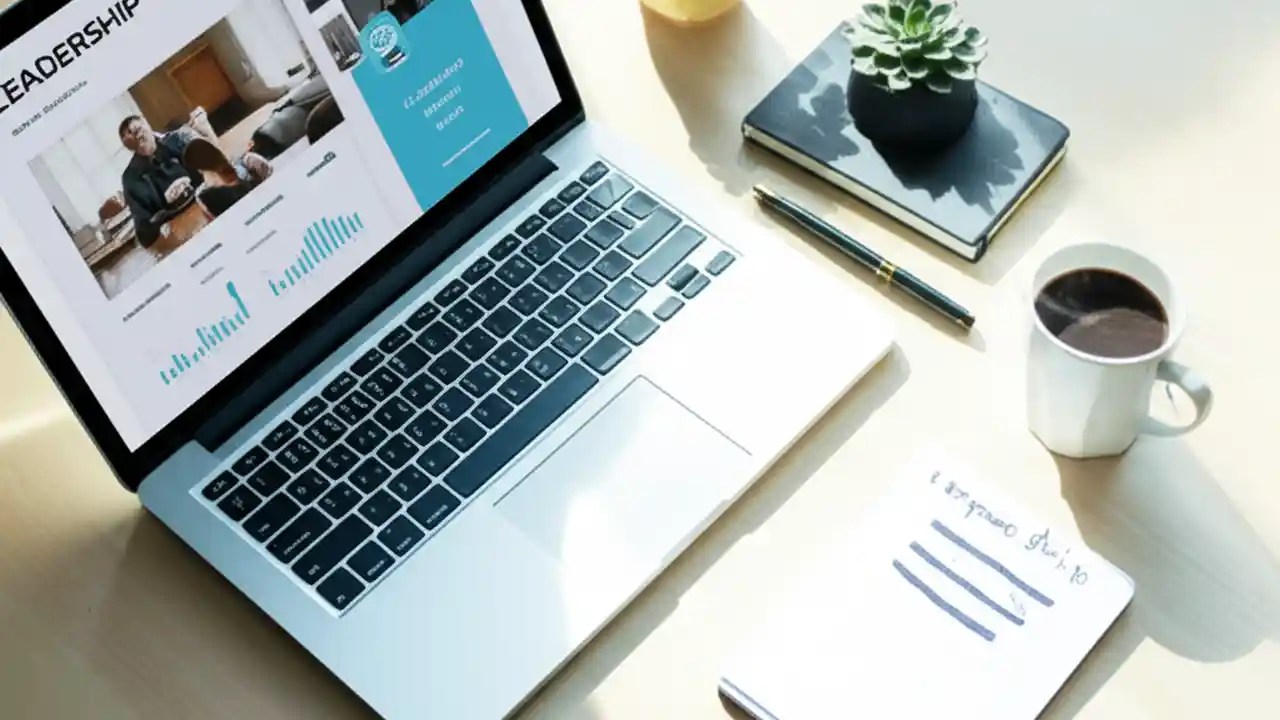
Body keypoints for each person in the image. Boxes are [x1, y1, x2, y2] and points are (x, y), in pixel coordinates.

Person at [118, 115, 201, 248]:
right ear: (126, 145)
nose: (135, 132)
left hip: (205, 206)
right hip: (178, 233)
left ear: (147, 124)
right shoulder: (130, 179)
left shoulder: (177, 140)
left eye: (138, 127)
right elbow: (145, 231)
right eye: (129, 133)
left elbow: (210, 170)